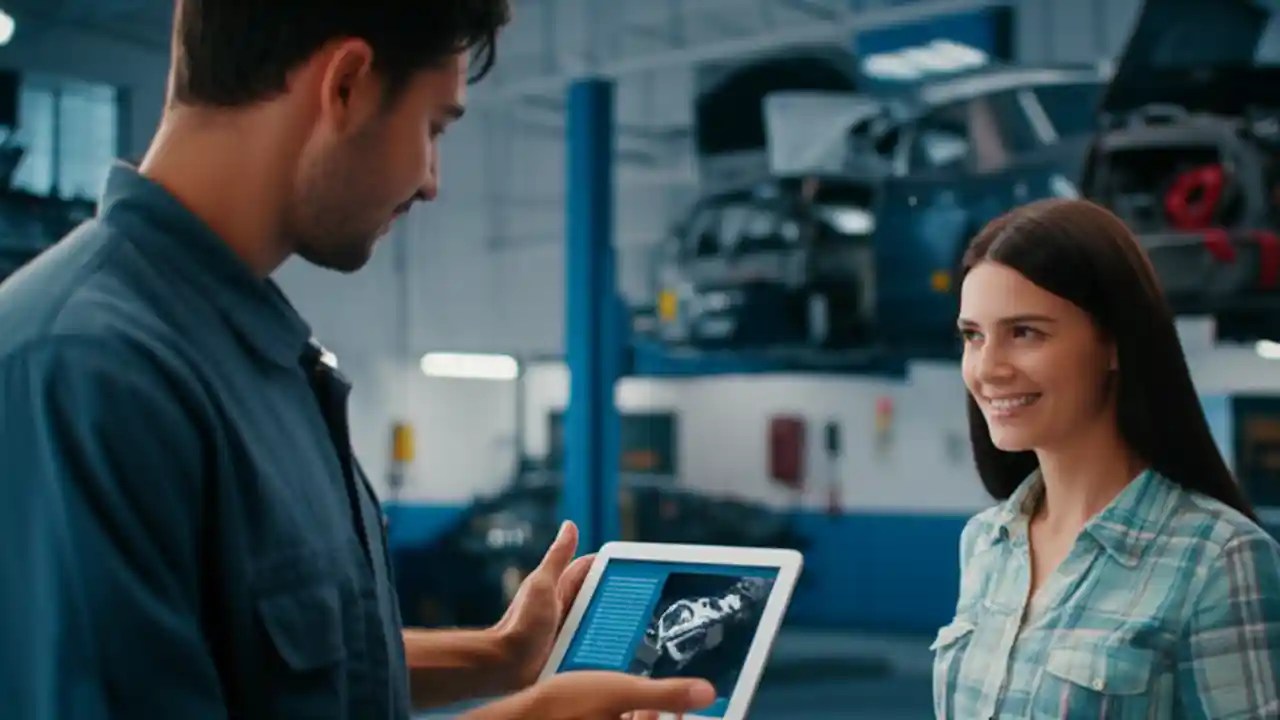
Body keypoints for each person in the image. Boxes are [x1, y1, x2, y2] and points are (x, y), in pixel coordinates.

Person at [0, 2, 716, 719]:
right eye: (433, 128)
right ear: (345, 84)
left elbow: (265, 661)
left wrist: (500, 657)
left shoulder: (256, 361)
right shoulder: (86, 369)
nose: (432, 180)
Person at [936, 197, 1280, 719]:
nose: (987, 368)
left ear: (1115, 343)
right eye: (973, 336)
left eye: (1024, 332)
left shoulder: (1218, 559)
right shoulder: (985, 544)